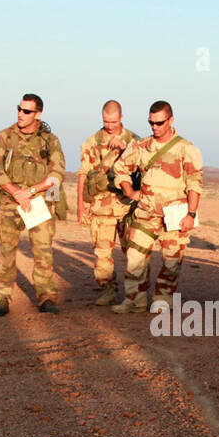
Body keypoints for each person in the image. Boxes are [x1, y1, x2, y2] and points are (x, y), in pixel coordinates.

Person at [110, 101, 203, 313]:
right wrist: (130, 192)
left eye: (160, 122)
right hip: (146, 212)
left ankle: (163, 300)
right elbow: (121, 168)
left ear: (171, 120)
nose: (155, 127)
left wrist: (190, 214)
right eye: (151, 123)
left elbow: (195, 183)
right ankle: (135, 300)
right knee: (134, 258)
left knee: (171, 262)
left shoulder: (187, 149)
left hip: (175, 215)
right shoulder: (141, 146)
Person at [0, 94, 65, 315]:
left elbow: (57, 172)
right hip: (11, 200)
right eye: (19, 109)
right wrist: (15, 193)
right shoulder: (5, 136)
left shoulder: (50, 140)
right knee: (6, 250)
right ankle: (1, 297)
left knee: (43, 251)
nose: (21, 114)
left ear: (38, 114)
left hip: (37, 200)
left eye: (27, 111)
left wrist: (30, 192)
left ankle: (46, 297)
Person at [77, 101, 138, 306]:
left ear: (121, 117)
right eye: (105, 121)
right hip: (102, 206)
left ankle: (135, 294)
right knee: (102, 255)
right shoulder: (92, 142)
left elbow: (146, 167)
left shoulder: (134, 140)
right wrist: (80, 205)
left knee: (134, 252)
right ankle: (109, 290)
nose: (109, 126)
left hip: (128, 205)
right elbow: (83, 175)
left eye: (113, 121)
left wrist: (126, 149)